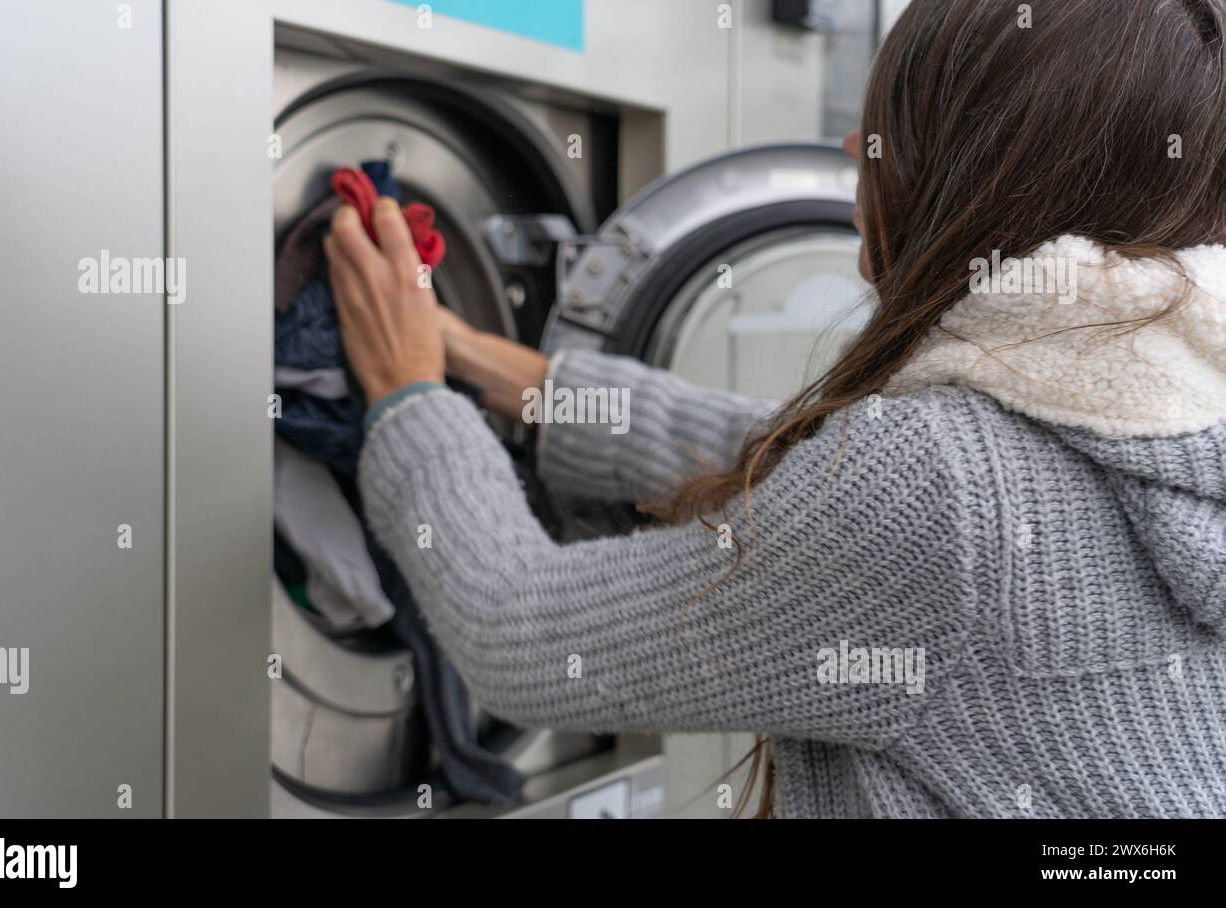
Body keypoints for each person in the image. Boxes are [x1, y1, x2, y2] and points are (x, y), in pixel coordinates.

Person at [319, 0, 1226, 818]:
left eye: (886, 134)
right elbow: (813, 472)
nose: (850, 156)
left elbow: (520, 631)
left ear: (979, 173)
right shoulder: (1171, 403)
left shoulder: (936, 493)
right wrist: (493, 365)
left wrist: (408, 398)